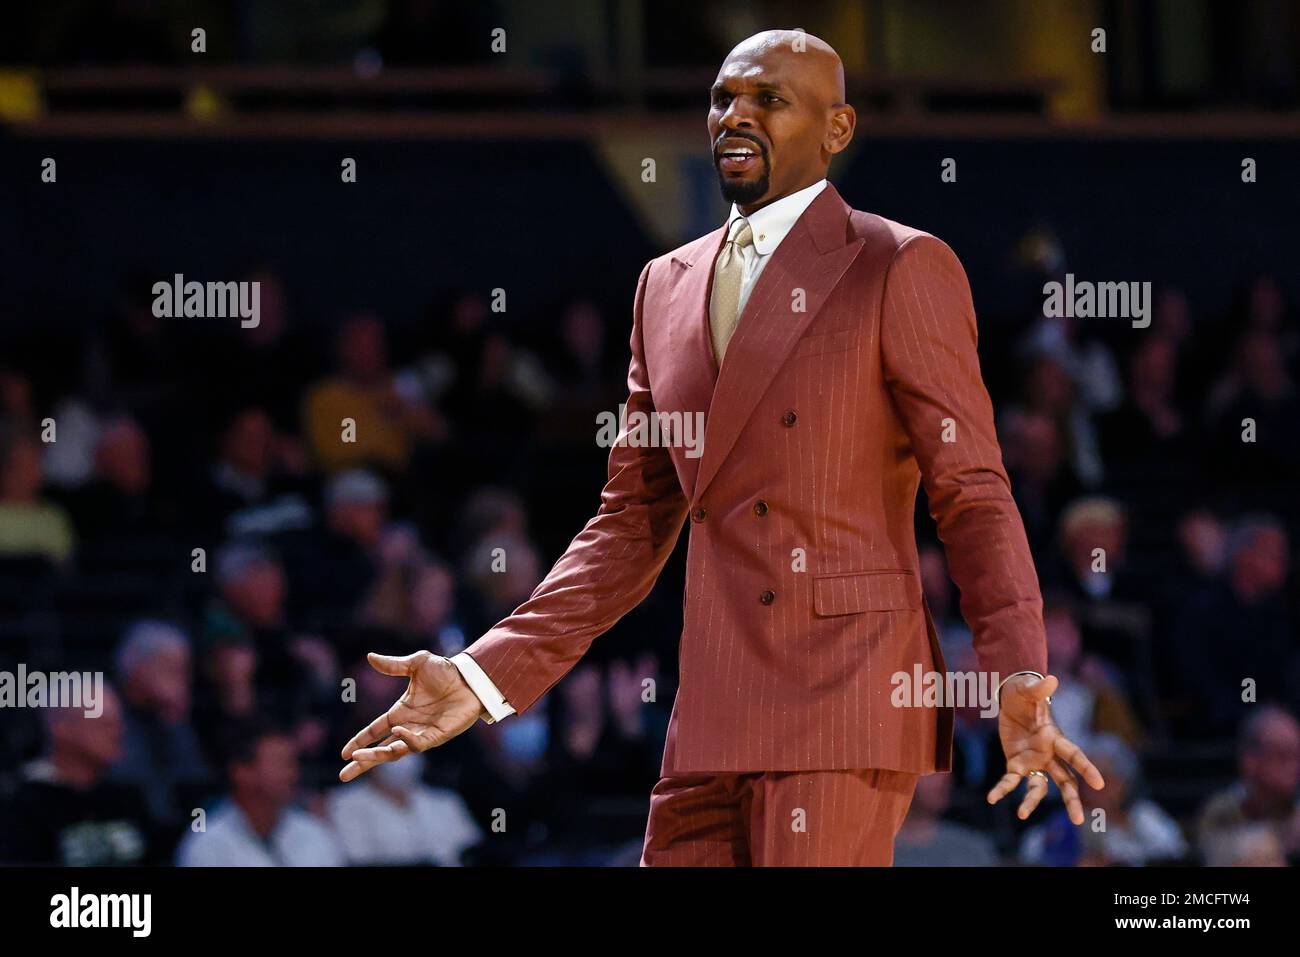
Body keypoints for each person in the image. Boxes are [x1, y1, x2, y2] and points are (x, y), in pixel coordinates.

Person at [340, 29, 1103, 867]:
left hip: (845, 695)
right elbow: (629, 524)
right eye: (721, 98)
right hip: (712, 705)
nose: (735, 115)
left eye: (768, 100)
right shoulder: (661, 285)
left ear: (837, 129)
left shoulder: (901, 264)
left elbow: (973, 490)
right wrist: (485, 674)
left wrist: (1017, 673)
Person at [177, 718, 343, 867]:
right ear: (241, 772)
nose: (292, 774)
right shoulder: (208, 845)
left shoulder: (314, 833)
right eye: (280, 764)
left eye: (292, 764)